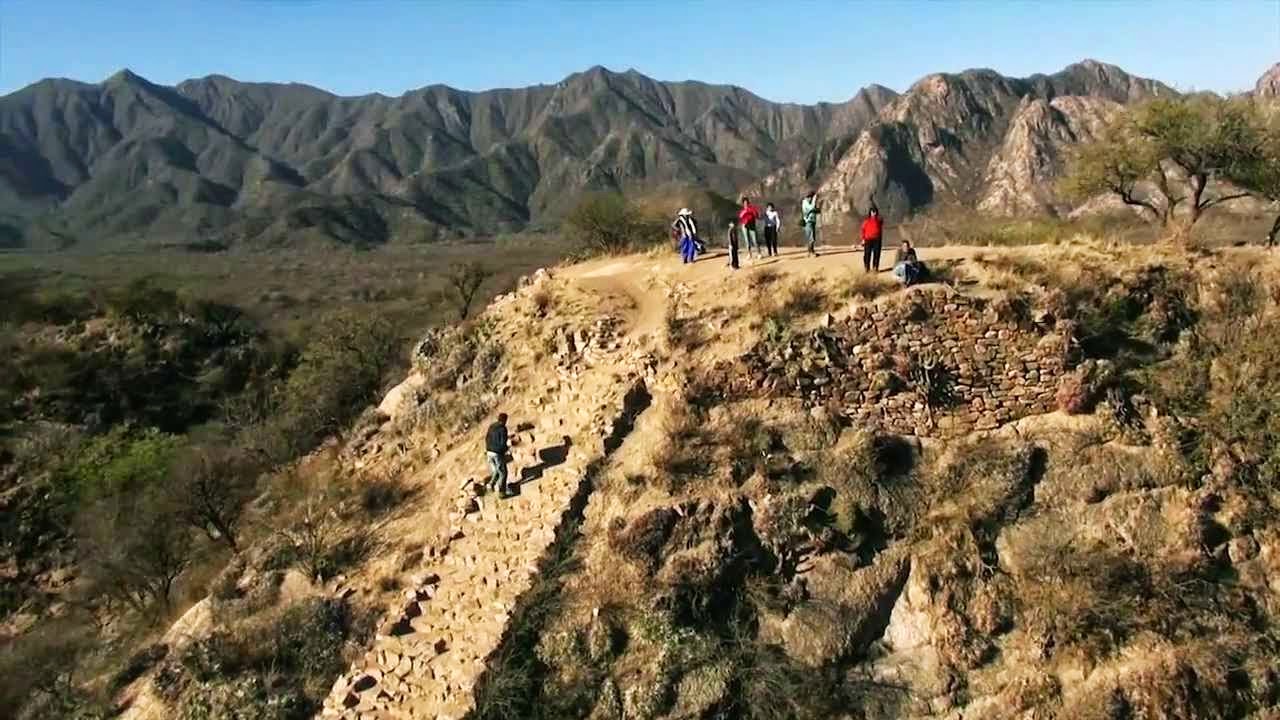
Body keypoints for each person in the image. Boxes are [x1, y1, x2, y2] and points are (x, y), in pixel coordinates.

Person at [485, 413, 512, 498]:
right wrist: (506, 450)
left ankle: (491, 484)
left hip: (489, 452)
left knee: (496, 470)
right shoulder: (503, 429)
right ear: (504, 420)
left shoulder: (492, 426)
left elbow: (487, 438)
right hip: (497, 453)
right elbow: (502, 443)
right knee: (503, 473)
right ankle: (502, 492)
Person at [860, 203, 884, 273]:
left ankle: (875, 268)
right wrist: (863, 239)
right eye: (872, 211)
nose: (874, 213)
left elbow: (881, 222)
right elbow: (863, 230)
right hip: (868, 239)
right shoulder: (866, 221)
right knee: (867, 255)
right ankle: (867, 268)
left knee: (876, 255)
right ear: (870, 212)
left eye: (875, 211)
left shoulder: (879, 220)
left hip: (877, 239)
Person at [738, 196, 761, 261]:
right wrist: (745, 212)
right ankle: (749, 254)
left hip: (752, 226)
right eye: (744, 202)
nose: (746, 203)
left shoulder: (752, 208)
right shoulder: (742, 210)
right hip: (745, 226)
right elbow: (740, 217)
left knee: (755, 240)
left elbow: (756, 215)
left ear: (748, 202)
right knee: (747, 241)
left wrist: (751, 212)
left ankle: (759, 253)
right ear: (743, 203)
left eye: (746, 202)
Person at [801, 191, 820, 256]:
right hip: (808, 222)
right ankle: (810, 252)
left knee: (812, 237)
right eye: (811, 198)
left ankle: (811, 251)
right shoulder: (805, 202)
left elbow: (815, 210)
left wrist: (817, 210)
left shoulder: (810, 203)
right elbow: (811, 208)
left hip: (812, 221)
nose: (811, 199)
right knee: (811, 237)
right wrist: (814, 200)